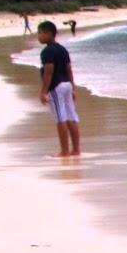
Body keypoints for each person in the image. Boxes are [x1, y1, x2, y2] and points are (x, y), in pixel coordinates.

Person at [37, 20, 81, 158]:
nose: (38, 36)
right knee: (70, 116)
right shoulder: (62, 49)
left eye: (40, 33)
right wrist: (73, 87)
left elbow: (49, 72)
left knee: (60, 118)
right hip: (66, 85)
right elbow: (69, 69)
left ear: (49, 34)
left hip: (56, 86)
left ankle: (65, 151)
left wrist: (43, 91)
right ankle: (76, 149)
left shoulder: (47, 51)